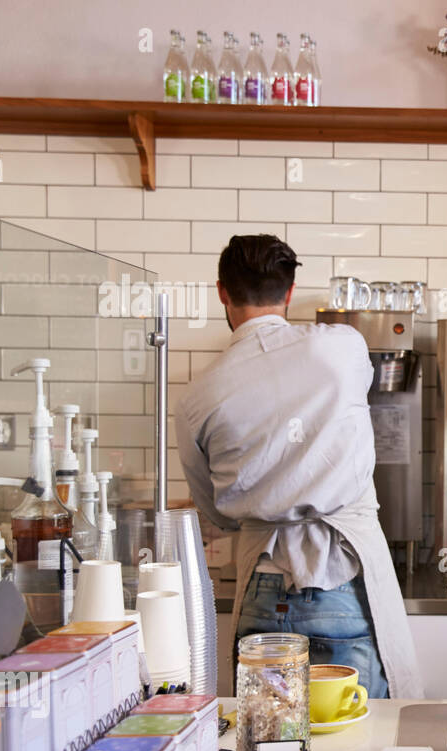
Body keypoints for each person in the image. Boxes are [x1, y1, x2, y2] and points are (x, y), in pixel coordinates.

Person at [175, 234, 422, 699]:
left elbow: (218, 514)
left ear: (222, 292)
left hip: (262, 589)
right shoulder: (343, 348)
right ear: (289, 293)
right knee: (357, 748)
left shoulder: (196, 397)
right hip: (343, 581)